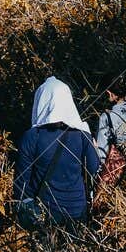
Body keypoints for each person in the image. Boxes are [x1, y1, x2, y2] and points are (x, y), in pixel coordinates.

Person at [14, 77, 101, 228]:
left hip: (44, 213)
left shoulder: (32, 136)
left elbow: (22, 181)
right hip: (76, 211)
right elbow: (93, 169)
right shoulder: (82, 135)